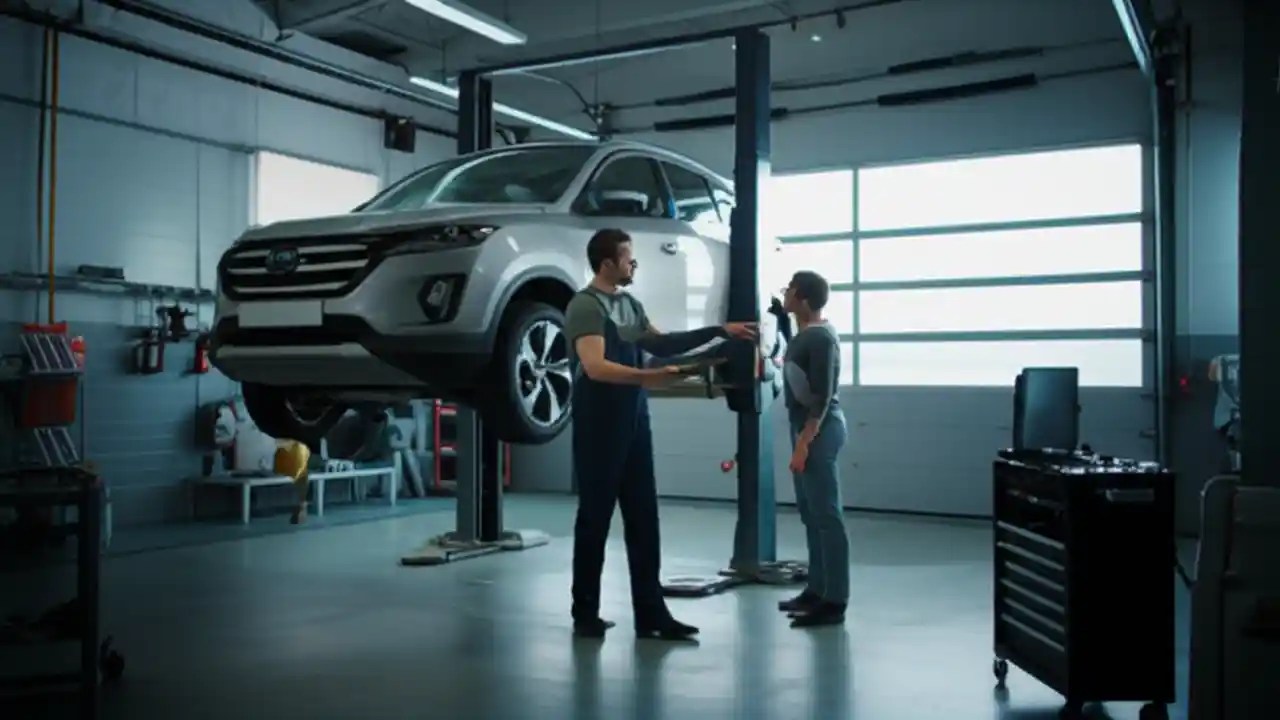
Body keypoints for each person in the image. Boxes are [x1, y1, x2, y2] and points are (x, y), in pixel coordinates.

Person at [564, 228, 758, 640]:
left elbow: (664, 344)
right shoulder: (585, 306)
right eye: (627, 258)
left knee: (644, 518)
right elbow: (595, 367)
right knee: (595, 519)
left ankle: (651, 614)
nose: (633, 264)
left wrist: (720, 331)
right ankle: (585, 614)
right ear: (607, 263)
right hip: (599, 423)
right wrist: (648, 378)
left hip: (634, 420)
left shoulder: (629, 305)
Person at [775, 270, 850, 628]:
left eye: (789, 290)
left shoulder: (821, 338)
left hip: (818, 430)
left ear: (802, 297)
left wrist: (804, 444)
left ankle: (835, 600)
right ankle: (816, 589)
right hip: (804, 429)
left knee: (826, 516)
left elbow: (821, 395)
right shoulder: (804, 333)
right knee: (811, 514)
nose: (785, 294)